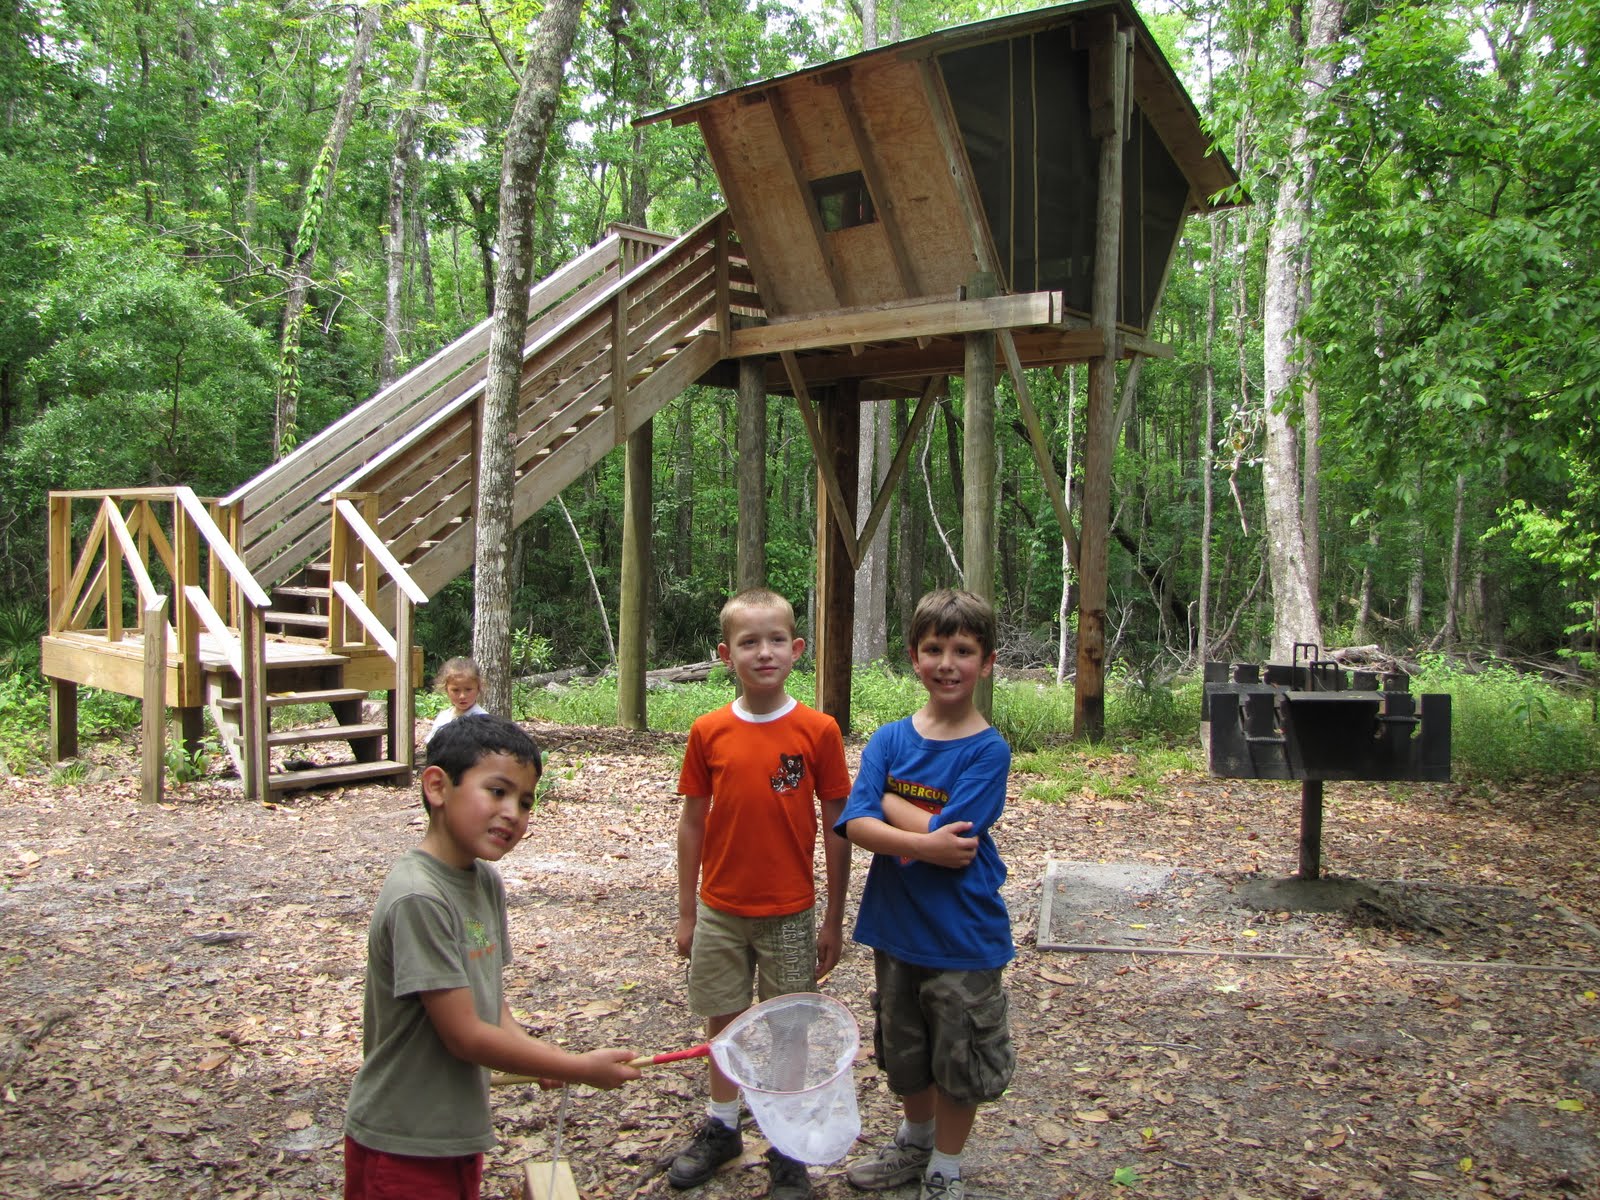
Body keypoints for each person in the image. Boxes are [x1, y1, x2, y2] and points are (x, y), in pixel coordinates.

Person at [344, 715, 640, 1200]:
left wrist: (540, 1056)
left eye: (525, 802)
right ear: (438, 787)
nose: (513, 813)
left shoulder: (484, 882)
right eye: (497, 792)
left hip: (455, 1133)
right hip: (403, 1141)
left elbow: (490, 1007)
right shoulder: (418, 896)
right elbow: (464, 1035)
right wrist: (576, 1067)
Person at [669, 588, 853, 1200]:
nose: (764, 652)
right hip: (722, 909)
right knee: (723, 1020)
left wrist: (833, 916)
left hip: (792, 913)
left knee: (790, 1029)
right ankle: (723, 1127)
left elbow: (837, 824)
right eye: (749, 642)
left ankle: (786, 1143)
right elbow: (693, 821)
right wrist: (687, 912)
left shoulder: (817, 730)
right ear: (727, 654)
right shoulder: (708, 731)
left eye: (776, 639)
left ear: (797, 649)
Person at [836, 589, 1015, 1200]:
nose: (947, 663)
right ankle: (915, 1141)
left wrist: (888, 805)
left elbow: (959, 838)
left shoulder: (988, 750)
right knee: (906, 1051)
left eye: (962, 650)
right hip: (896, 927)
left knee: (959, 1057)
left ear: (986, 662)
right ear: (914, 657)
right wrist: (914, 830)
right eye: (934, 648)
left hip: (964, 936)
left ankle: (946, 1165)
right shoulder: (889, 740)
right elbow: (856, 825)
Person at [427, 657, 489, 746]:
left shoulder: (483, 720)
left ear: (478, 688)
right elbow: (431, 745)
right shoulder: (443, 717)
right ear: (446, 689)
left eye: (468, 689)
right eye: (456, 690)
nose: (462, 696)